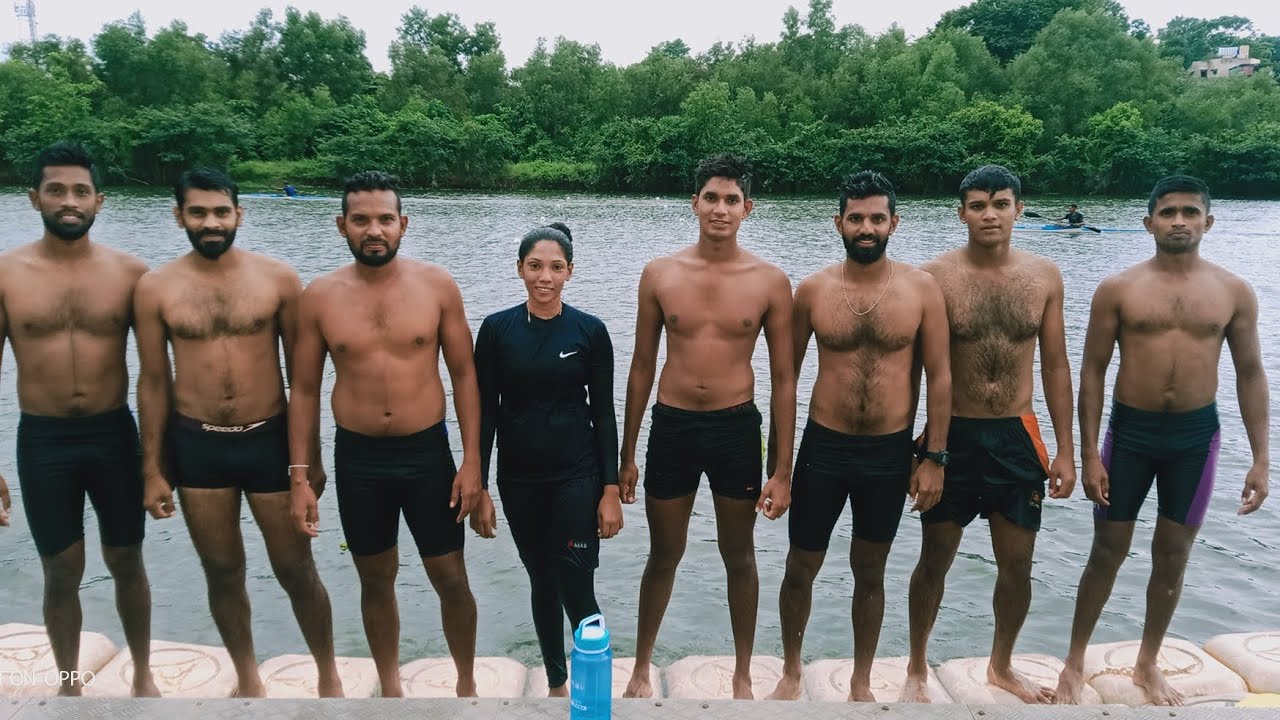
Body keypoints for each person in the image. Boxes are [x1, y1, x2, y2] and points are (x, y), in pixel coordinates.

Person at [1054, 176, 1270, 706]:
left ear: (1208, 222)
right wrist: (1087, 454)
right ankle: (1074, 660)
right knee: (1106, 550)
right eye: (1168, 212)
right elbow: (1093, 371)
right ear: (1148, 221)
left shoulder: (1233, 291)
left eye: (1190, 212)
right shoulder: (1119, 288)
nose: (1179, 221)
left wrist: (1262, 458)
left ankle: (1148, 663)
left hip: (1195, 439)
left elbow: (1250, 372)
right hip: (1129, 434)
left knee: (1172, 556)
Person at [134, 167, 343, 698]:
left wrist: (307, 461)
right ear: (178, 214)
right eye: (198, 212)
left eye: (221, 211)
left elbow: (304, 380)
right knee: (222, 570)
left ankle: (328, 675)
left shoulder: (276, 279)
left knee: (296, 568)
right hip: (197, 442)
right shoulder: (156, 287)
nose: (211, 222)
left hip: (269, 438)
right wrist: (152, 468)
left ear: (238, 214)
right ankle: (249, 679)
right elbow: (154, 381)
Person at [287, 170, 486, 697]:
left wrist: (472, 463)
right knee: (375, 579)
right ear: (341, 225)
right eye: (361, 220)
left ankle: (466, 684)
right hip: (359, 458)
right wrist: (301, 475)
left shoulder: (437, 286)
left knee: (451, 578)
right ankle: (390, 690)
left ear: (403, 224)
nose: (373, 230)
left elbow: (465, 374)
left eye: (384, 219)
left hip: (428, 454)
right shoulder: (320, 296)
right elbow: (303, 390)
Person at [766, 171, 951, 702]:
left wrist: (934, 456)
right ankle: (792, 671)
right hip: (823, 446)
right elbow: (785, 380)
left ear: (894, 221)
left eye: (876, 218)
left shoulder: (922, 289)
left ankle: (861, 682)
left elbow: (940, 376)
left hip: (889, 452)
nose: (866, 228)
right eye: (855, 218)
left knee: (870, 570)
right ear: (838, 223)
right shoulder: (815, 290)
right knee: (801, 564)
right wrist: (780, 470)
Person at [620, 154, 796, 700]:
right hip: (671, 425)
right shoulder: (661, 273)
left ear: (749, 208)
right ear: (693, 203)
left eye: (732, 199)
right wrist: (626, 454)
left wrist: (782, 469)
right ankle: (641, 668)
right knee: (662, 554)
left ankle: (744, 675)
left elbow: (786, 379)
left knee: (738, 555)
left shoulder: (769, 281)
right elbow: (642, 366)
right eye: (711, 198)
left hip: (735, 427)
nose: (721, 209)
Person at [902, 164, 1077, 704]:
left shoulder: (1045, 276)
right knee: (935, 557)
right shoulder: (933, 277)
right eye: (978, 205)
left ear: (1018, 209)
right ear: (961, 213)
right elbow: (915, 370)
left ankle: (1002, 665)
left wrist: (1068, 450)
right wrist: (920, 451)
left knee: (1017, 561)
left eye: (1000, 204)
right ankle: (915, 667)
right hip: (952, 435)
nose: (989, 214)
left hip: (1017, 435)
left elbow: (1055, 366)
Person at [0, 142, 158, 696]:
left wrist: (157, 462)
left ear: (100, 201)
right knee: (61, 569)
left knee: (127, 561)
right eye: (56, 190)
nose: (69, 201)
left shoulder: (132, 273)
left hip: (114, 434)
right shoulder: (7, 274)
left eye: (80, 191)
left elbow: (156, 377)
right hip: (43, 440)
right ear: (34, 198)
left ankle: (141, 674)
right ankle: (69, 686)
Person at [473, 222, 623, 697]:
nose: (545, 276)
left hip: (577, 476)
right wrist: (479, 486)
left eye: (556, 267)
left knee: (576, 582)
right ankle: (558, 684)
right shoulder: (497, 330)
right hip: (518, 480)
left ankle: (593, 685)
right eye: (535, 266)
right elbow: (485, 414)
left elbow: (603, 413)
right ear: (519, 269)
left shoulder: (589, 331)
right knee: (541, 579)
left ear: (570, 272)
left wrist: (611, 489)